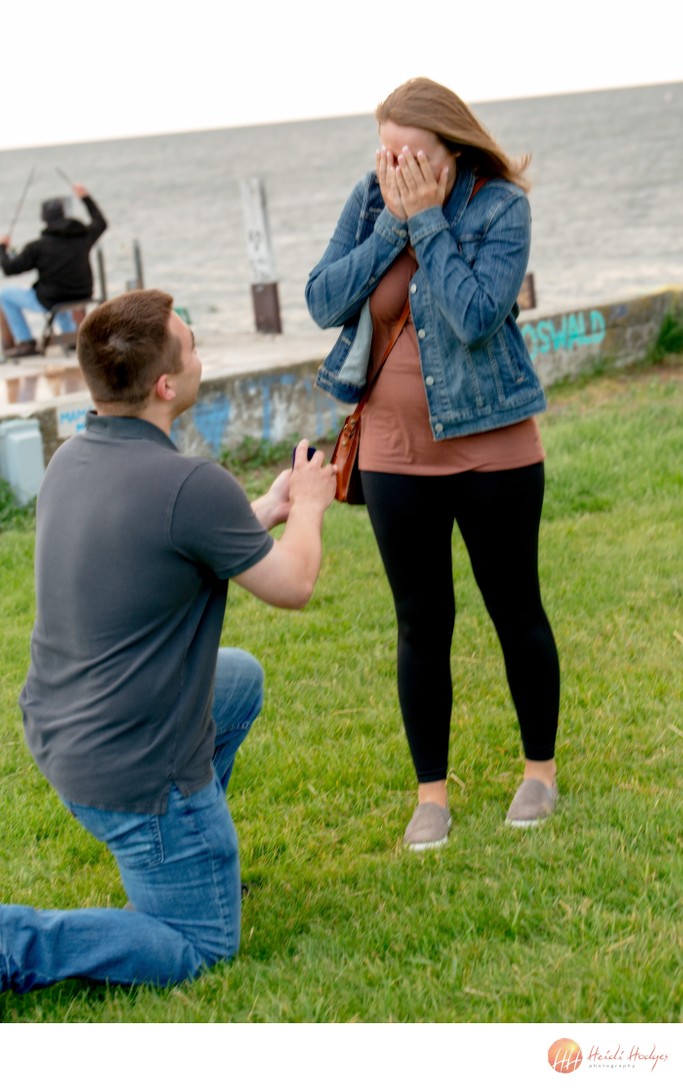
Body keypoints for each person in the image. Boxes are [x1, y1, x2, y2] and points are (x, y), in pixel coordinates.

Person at [0, 288, 337, 993]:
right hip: (129, 768)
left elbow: (165, 537)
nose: (200, 355)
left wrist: (265, 509)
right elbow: (293, 584)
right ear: (164, 384)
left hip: (63, 731)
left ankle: (182, 854)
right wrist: (306, 506)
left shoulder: (71, 461)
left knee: (235, 679)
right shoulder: (190, 484)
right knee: (201, 943)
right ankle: (17, 941)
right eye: (191, 346)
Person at [306, 77, 560, 851]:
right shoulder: (369, 197)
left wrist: (426, 223)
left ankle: (538, 773)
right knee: (421, 622)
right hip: (393, 450)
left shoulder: (497, 206)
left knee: (514, 608)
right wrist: (390, 226)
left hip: (493, 443)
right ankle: (431, 795)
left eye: (411, 155)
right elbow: (322, 300)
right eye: (384, 153)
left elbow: (477, 314)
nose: (395, 167)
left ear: (450, 148)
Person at [0, 182, 106, 358]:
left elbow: (9, 269)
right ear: (64, 214)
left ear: (45, 219)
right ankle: (71, 336)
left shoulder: (38, 247)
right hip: (83, 294)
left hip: (53, 300)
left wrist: (2, 249)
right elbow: (101, 223)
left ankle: (26, 342)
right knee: (53, 294)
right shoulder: (82, 236)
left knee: (4, 295)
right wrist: (85, 197)